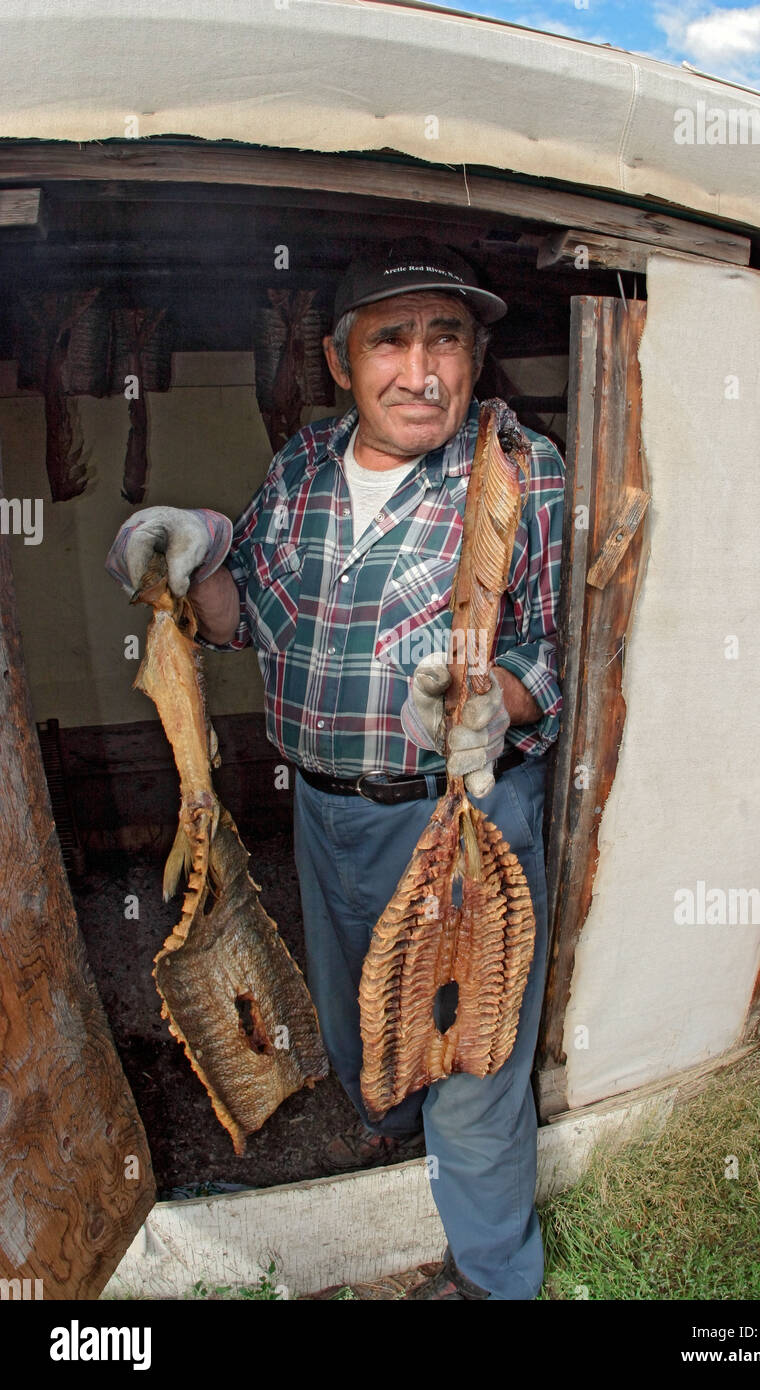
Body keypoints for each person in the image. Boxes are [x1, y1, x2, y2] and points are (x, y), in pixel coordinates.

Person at [106, 238, 564, 1300]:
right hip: (323, 811)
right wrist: (190, 556)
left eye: (443, 337)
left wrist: (486, 702)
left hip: (461, 819)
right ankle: (394, 1154)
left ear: (475, 352)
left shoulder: (515, 470)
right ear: (338, 356)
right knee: (362, 1009)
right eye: (388, 340)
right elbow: (247, 621)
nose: (419, 369)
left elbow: (548, 652)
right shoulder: (306, 465)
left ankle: (495, 1277)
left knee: (472, 1058)